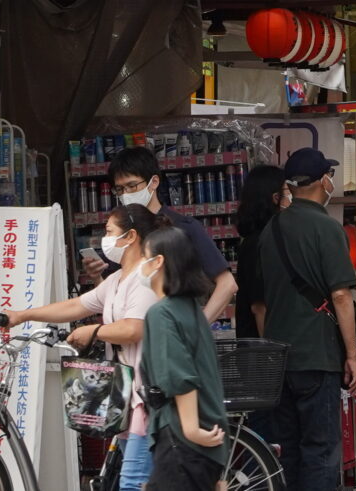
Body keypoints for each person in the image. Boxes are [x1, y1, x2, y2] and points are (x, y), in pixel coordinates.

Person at [0, 207, 166, 490]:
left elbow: (133, 328)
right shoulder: (117, 279)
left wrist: (94, 331)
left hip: (147, 394)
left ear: (131, 236)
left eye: (110, 232)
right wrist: (23, 315)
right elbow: (77, 305)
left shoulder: (144, 277)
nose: (105, 239)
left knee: (133, 483)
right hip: (127, 394)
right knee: (141, 481)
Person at [258, 149, 356, 491]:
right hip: (317, 354)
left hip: (277, 357)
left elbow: (260, 301)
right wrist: (352, 355)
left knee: (288, 450)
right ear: (321, 181)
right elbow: (341, 296)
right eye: (329, 175)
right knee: (320, 449)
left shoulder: (269, 231)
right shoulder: (327, 228)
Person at [138, 227, 231, 491]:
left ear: (158, 262)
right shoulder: (192, 310)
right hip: (207, 440)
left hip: (182, 438)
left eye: (145, 257)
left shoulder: (161, 313)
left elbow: (179, 376)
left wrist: (190, 429)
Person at [109, 147, 237, 322]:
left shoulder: (185, 228)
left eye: (131, 186)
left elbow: (227, 284)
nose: (126, 194)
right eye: (119, 189)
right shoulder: (124, 235)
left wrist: (198, 328)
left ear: (153, 182)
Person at [232, 163, 291, 340]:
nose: (291, 197)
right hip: (261, 354)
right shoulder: (258, 243)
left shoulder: (266, 237)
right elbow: (259, 307)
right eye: (287, 191)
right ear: (275, 198)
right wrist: (270, 353)